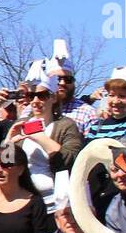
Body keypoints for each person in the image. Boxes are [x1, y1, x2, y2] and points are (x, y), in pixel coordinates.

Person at [5, 69, 83, 213]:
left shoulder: (65, 125)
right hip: (26, 203)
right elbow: (5, 164)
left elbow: (70, 161)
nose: (35, 101)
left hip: (56, 203)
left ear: (53, 98)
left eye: (42, 96)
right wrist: (8, 141)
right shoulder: (21, 123)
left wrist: (40, 138)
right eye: (32, 96)